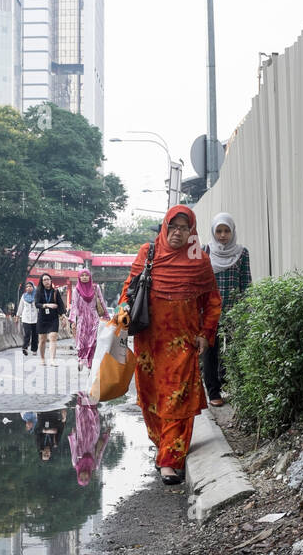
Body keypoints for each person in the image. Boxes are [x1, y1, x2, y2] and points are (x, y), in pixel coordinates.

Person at [117, 205, 222, 485]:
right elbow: (129, 289)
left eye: (184, 228)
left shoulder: (199, 260)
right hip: (148, 342)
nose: (177, 233)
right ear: (164, 227)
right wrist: (122, 314)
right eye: (172, 227)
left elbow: (212, 301)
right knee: (151, 398)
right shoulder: (147, 253)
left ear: (192, 231)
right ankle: (163, 444)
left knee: (177, 399)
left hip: (182, 343)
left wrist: (205, 334)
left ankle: (169, 461)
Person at [204, 212, 252, 407]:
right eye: (219, 231)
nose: (223, 235)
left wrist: (246, 309)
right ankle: (213, 392)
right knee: (210, 352)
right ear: (213, 232)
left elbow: (245, 282)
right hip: (209, 313)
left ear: (232, 232)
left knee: (233, 351)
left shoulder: (242, 253)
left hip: (234, 310)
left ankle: (234, 387)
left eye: (226, 231)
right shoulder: (205, 251)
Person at [69, 267, 109, 373]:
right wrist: (72, 320)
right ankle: (81, 360)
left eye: (86, 275)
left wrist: (106, 316)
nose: (84, 277)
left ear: (90, 277)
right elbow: (74, 305)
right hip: (82, 319)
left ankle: (90, 363)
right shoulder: (76, 290)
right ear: (79, 277)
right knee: (82, 341)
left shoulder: (96, 288)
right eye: (82, 275)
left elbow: (101, 301)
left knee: (94, 341)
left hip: (94, 318)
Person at [68, 391, 109, 486]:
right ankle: (92, 391)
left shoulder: (75, 463)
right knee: (93, 416)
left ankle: (82, 393)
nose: (84, 476)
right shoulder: (95, 465)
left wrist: (73, 436)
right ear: (89, 476)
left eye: (81, 477)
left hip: (82, 437)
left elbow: (73, 449)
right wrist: (106, 435)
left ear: (78, 475)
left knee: (82, 416)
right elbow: (101, 451)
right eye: (86, 478)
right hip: (93, 437)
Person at [35, 273, 64, 366]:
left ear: (51, 280)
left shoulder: (55, 292)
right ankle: (43, 359)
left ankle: (52, 359)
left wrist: (62, 316)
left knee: (53, 337)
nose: (47, 281)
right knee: (42, 339)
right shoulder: (39, 291)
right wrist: (47, 305)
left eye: (48, 279)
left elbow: (60, 305)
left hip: (53, 318)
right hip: (42, 318)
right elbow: (36, 304)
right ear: (42, 282)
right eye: (44, 280)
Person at [16, 281, 39, 356]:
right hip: (26, 318)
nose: (28, 288)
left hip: (35, 319)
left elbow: (40, 306)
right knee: (27, 334)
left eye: (30, 286)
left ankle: (34, 349)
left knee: (35, 335)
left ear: (33, 287)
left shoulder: (37, 296)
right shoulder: (23, 296)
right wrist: (17, 316)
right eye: (27, 287)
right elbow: (21, 307)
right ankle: (25, 348)